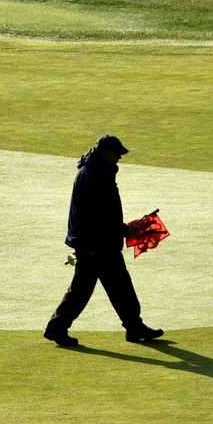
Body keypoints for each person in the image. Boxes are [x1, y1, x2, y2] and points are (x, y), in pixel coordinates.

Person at [44, 134, 163, 348]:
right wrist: (126, 230)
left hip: (97, 241)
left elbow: (103, 215)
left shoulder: (96, 171)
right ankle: (57, 327)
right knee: (85, 289)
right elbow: (101, 216)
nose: (120, 157)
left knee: (118, 285)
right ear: (105, 153)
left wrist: (124, 229)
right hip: (94, 243)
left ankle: (134, 326)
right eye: (117, 153)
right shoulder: (94, 176)